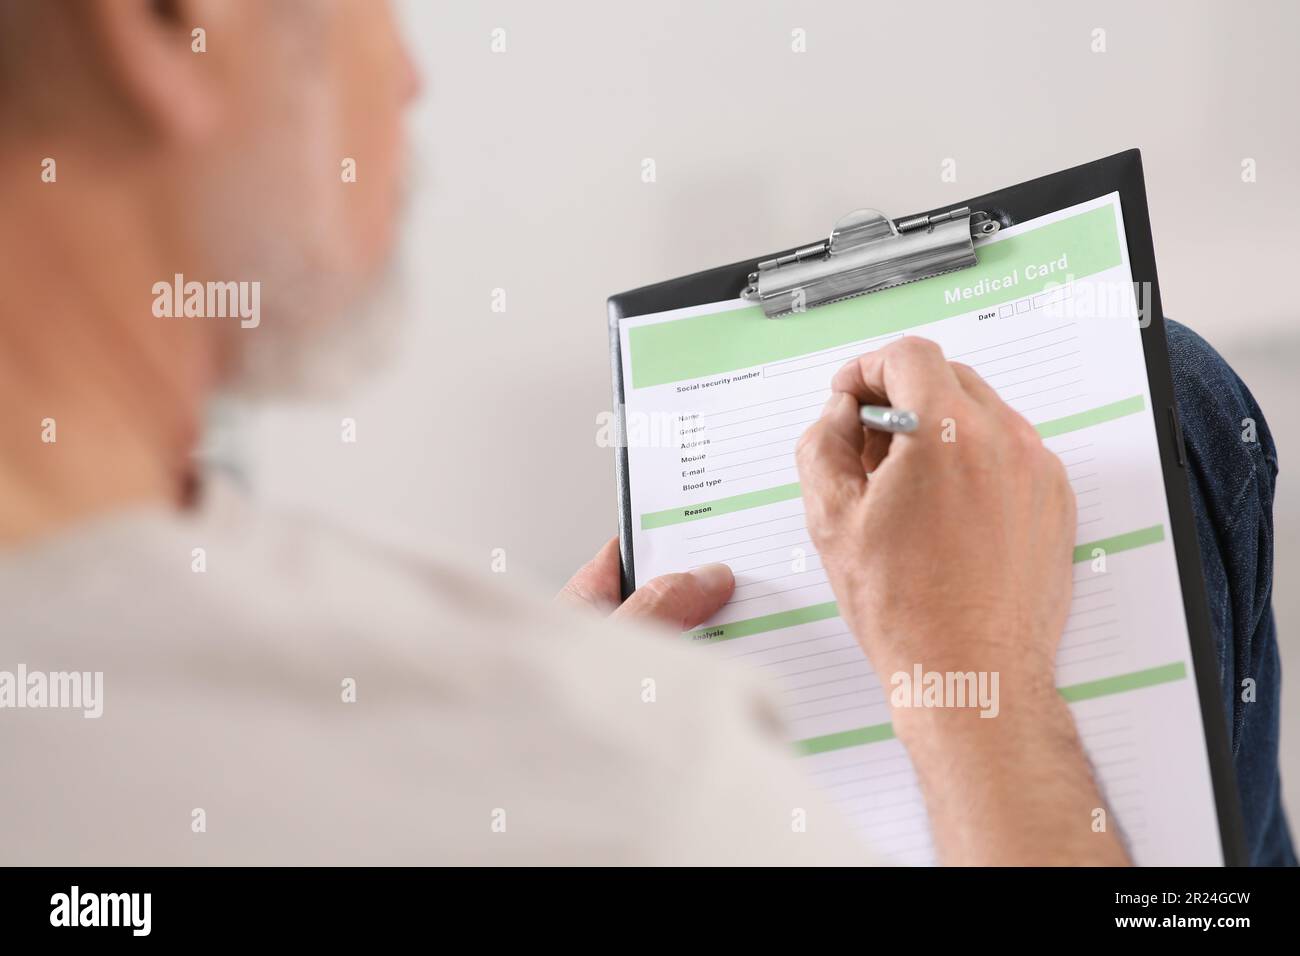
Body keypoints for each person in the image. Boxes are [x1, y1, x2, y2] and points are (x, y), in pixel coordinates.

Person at [0, 0, 1290, 865]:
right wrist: (980, 686)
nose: (405, 72)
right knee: (1170, 398)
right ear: (163, 25)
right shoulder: (613, 784)